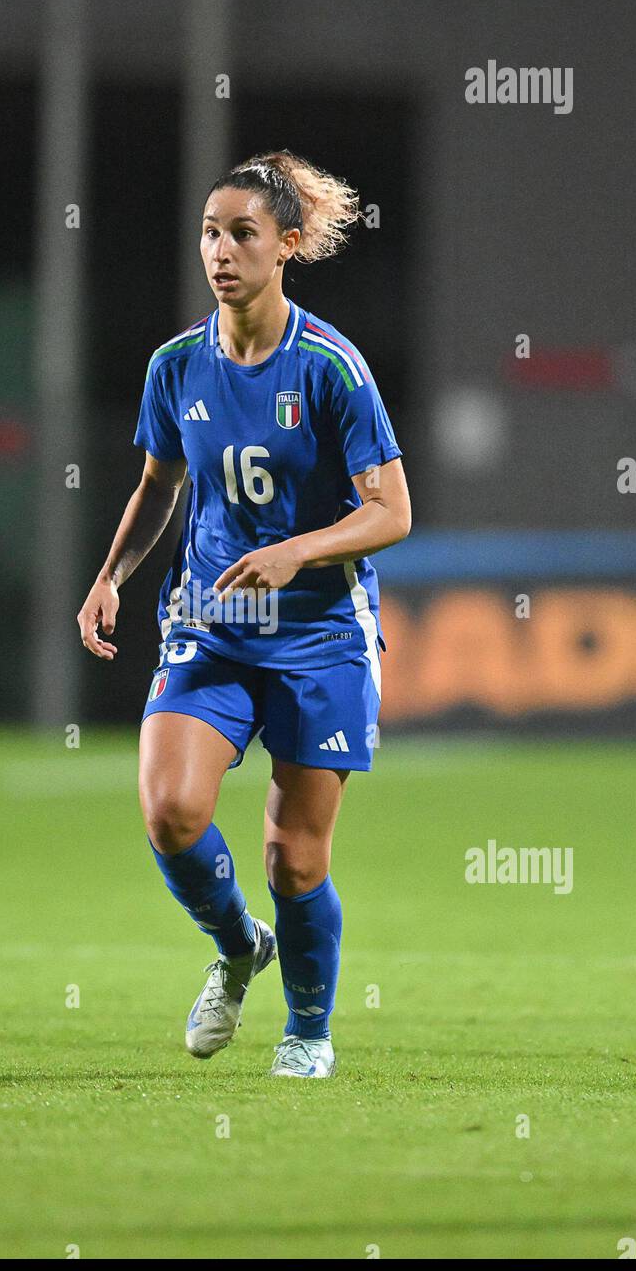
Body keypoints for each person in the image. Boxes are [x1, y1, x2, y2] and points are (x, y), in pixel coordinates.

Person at [78, 151, 411, 1078]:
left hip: (321, 637)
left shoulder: (333, 367)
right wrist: (112, 575)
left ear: (287, 246)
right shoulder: (175, 364)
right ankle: (237, 946)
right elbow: (159, 482)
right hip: (212, 628)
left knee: (294, 860)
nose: (220, 251)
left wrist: (295, 553)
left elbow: (393, 511)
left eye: (242, 234)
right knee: (172, 810)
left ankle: (308, 1033)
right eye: (210, 232)